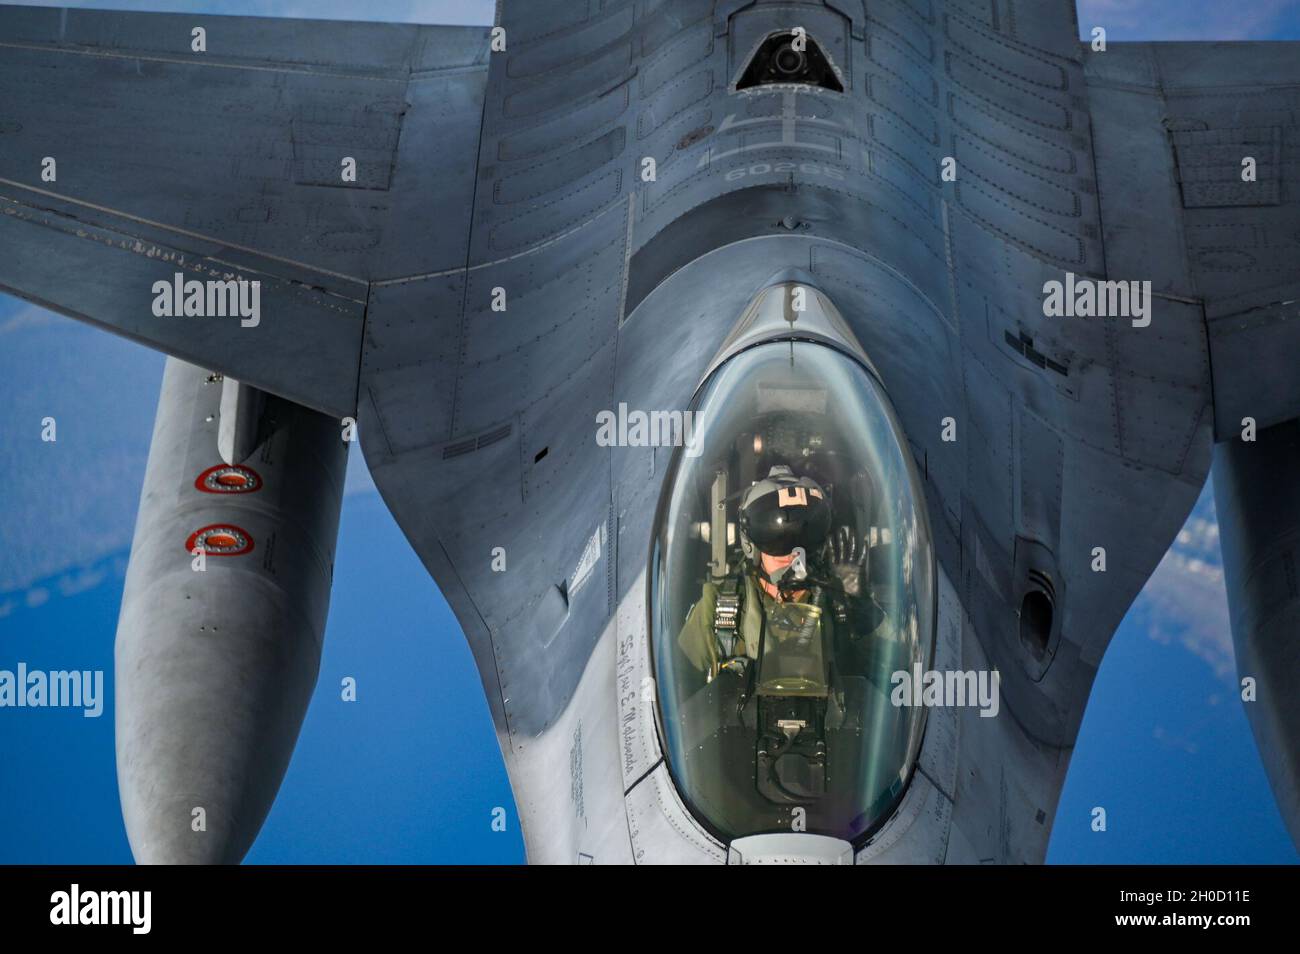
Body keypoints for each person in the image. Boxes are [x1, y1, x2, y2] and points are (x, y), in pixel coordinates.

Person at [677, 465, 874, 683]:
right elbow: (678, 684)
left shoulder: (838, 604)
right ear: (752, 544)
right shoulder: (719, 609)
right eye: (775, 538)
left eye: (803, 537)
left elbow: (893, 667)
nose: (791, 551)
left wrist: (861, 608)